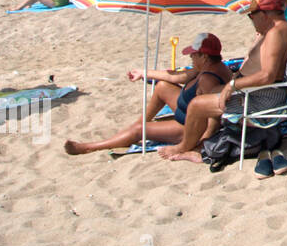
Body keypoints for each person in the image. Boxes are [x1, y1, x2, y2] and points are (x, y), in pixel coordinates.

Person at [159, 0, 287, 162]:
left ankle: (184, 147)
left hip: (264, 98)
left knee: (196, 105)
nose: (251, 20)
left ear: (264, 14)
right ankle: (204, 140)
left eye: (251, 16)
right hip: (273, 92)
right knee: (207, 94)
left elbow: (267, 75)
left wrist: (232, 85)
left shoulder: (275, 33)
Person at [64, 33, 231, 155]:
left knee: (139, 130)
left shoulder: (209, 79)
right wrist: (144, 73)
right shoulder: (207, 67)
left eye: (193, 55)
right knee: (162, 86)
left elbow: (213, 117)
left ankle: (89, 147)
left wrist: (200, 142)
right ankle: (136, 128)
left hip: (188, 127)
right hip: (185, 110)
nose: (191, 58)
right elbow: (173, 76)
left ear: (204, 56)